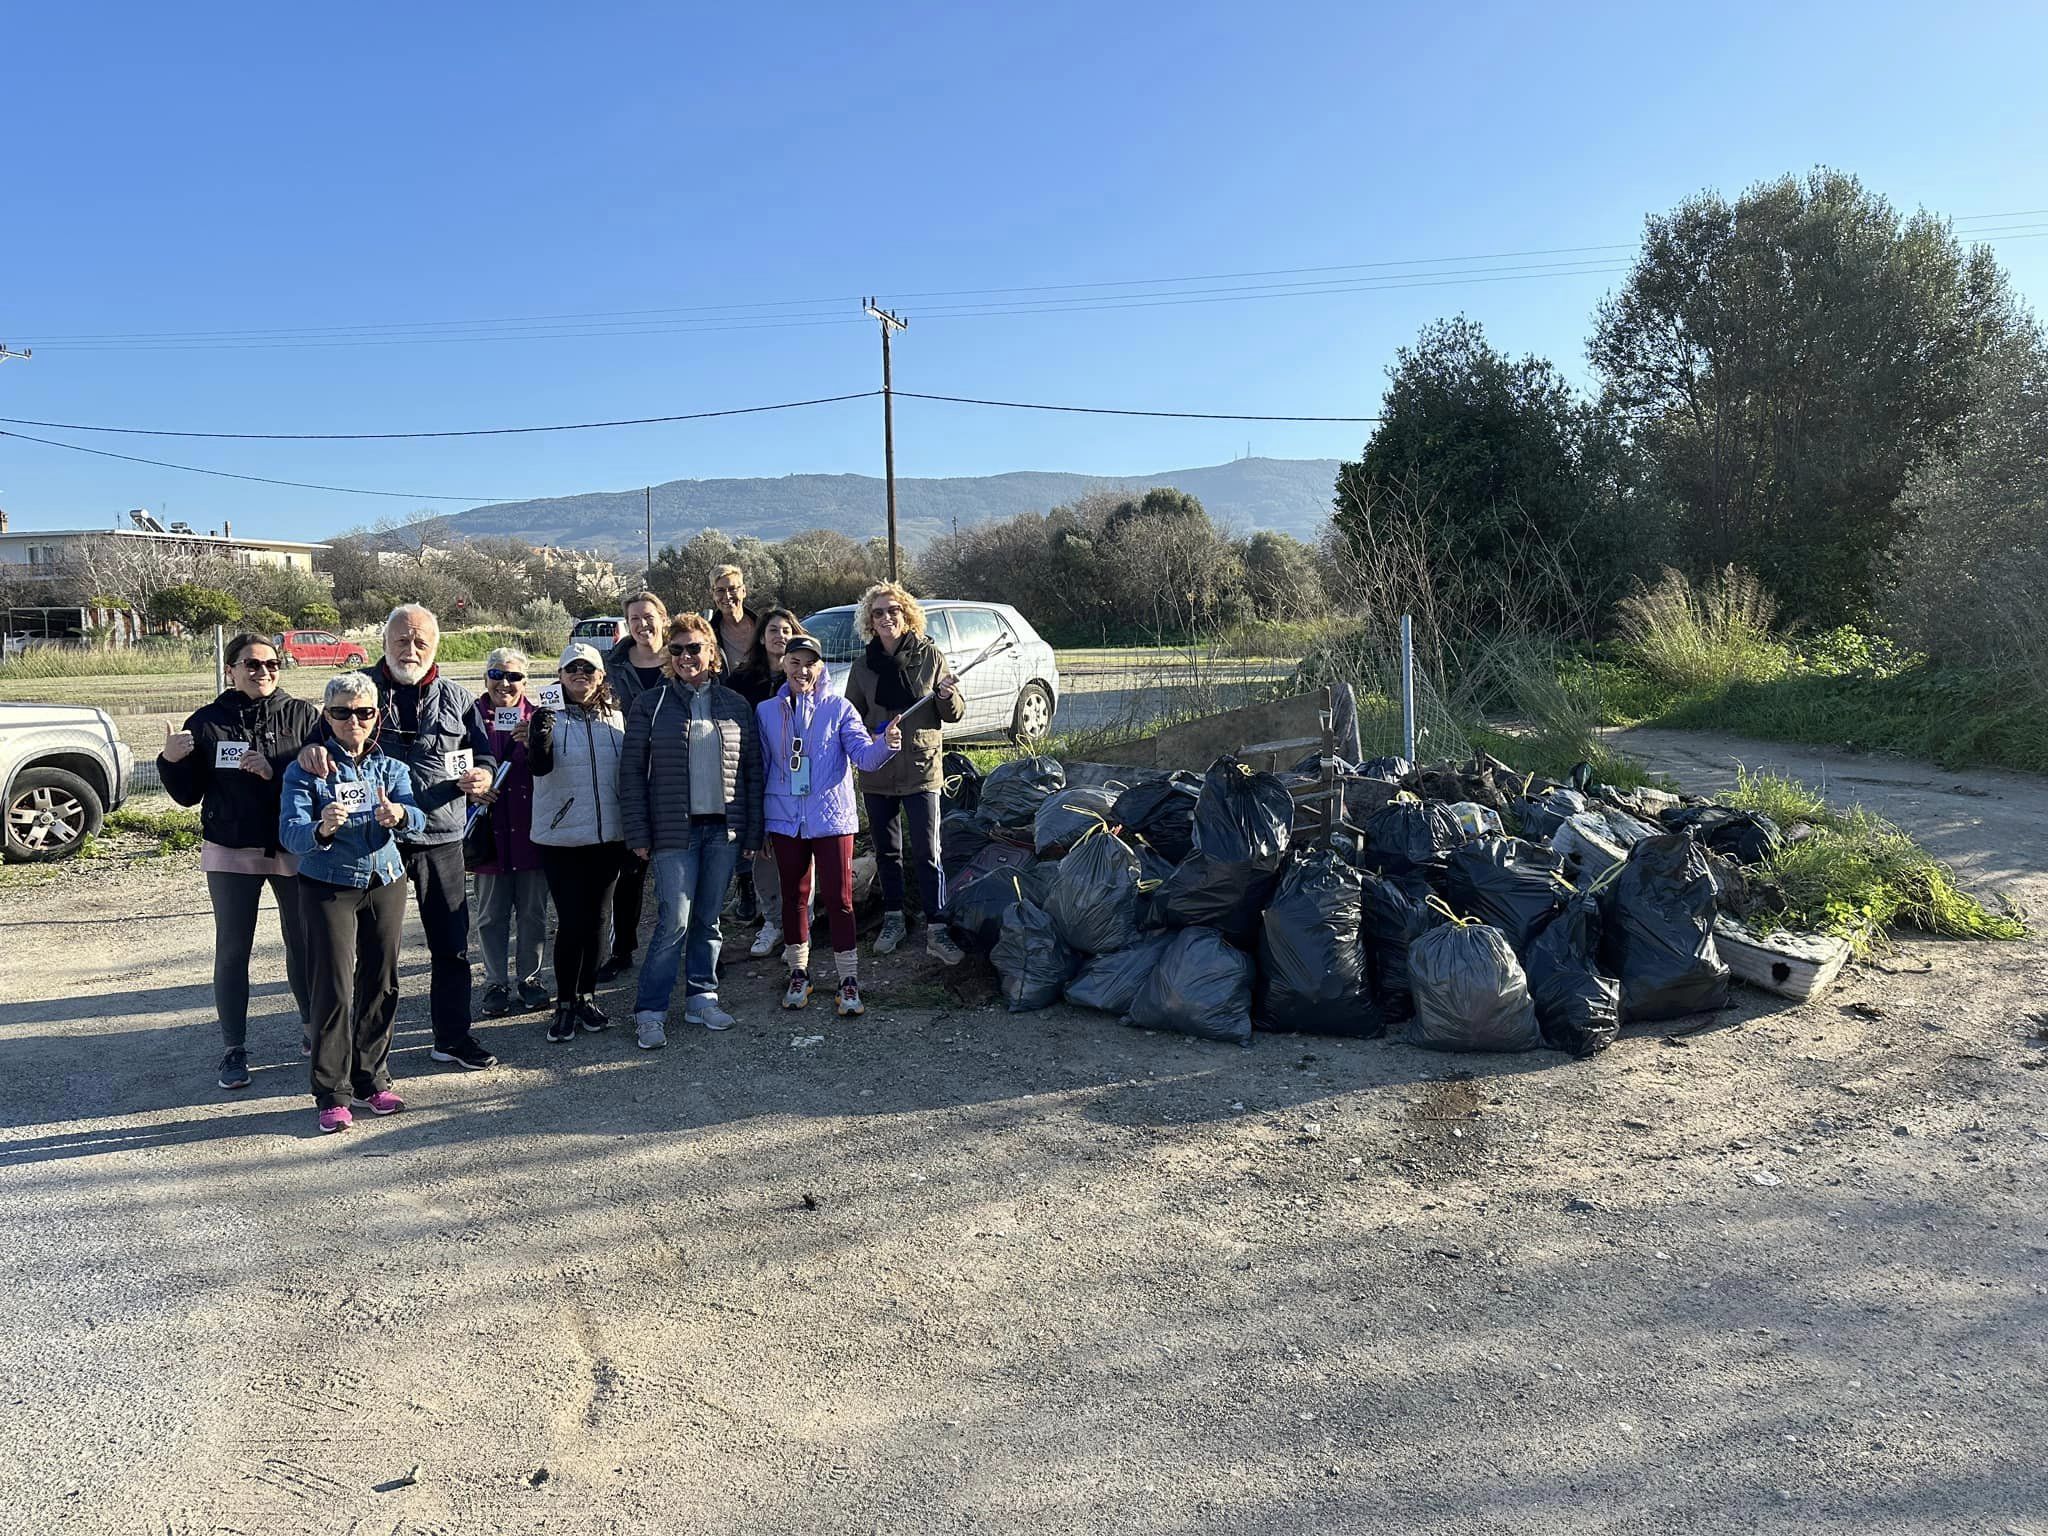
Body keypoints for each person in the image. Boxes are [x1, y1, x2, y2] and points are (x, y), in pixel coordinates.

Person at [297, 604, 499, 1071]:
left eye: (420, 642)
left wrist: (484, 778)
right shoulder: (356, 690)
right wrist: (309, 752)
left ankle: (452, 1037)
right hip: (371, 841)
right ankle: (362, 1057)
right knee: (372, 955)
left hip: (440, 835)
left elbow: (484, 756)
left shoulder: (459, 699)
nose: (411, 650)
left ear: (435, 647)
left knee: (450, 945)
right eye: (401, 641)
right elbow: (315, 741)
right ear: (384, 643)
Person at [158, 631, 322, 1090]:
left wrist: (274, 772)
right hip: (231, 849)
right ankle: (234, 1048)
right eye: (251, 664)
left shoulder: (303, 715)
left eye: (271, 664)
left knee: (304, 942)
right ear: (231, 669)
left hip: (292, 845)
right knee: (233, 950)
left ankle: (313, 1033)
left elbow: (319, 778)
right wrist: (169, 761)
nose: (263, 672)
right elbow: (188, 795)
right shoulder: (208, 721)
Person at [279, 672, 426, 1134]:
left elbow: (418, 815)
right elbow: (291, 833)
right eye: (342, 712)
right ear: (327, 716)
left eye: (363, 712)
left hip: (385, 879)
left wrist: (400, 815)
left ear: (376, 715)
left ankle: (372, 1079)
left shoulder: (391, 766)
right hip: (328, 884)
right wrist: (321, 826)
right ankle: (331, 1092)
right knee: (334, 988)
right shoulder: (307, 769)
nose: (353, 721)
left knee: (381, 982)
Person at [619, 612, 764, 1049]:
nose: (686, 656)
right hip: (671, 834)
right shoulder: (651, 704)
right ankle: (650, 1010)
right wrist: (638, 833)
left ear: (712, 653)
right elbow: (630, 774)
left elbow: (752, 773)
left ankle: (703, 996)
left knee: (708, 920)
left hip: (724, 832)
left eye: (694, 648)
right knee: (674, 922)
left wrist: (753, 833)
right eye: (677, 649)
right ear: (669, 657)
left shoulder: (736, 705)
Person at [758, 629, 901, 1017]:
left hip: (832, 819)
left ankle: (848, 979)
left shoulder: (839, 708)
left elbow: (864, 758)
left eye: (810, 664)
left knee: (839, 899)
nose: (802, 670)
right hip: (785, 821)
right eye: (795, 662)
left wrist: (885, 744)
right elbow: (763, 769)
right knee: (794, 896)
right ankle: (799, 972)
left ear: (821, 668)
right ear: (784, 665)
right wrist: (760, 825)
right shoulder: (766, 712)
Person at [842, 582, 967, 965]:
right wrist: (874, 735)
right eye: (877, 612)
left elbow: (955, 713)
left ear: (907, 613)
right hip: (879, 774)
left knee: (929, 852)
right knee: (887, 852)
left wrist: (947, 697)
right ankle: (893, 920)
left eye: (893, 610)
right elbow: (852, 719)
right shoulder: (863, 667)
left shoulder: (930, 657)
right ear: (869, 620)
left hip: (921, 769)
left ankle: (937, 927)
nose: (886, 617)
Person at [527, 641, 626, 1043]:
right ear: (561, 676)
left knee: (600, 920)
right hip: (562, 838)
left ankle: (587, 996)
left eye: (588, 670)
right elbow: (539, 766)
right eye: (572, 670)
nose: (580, 676)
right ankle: (564, 1002)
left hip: (608, 836)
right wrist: (539, 732)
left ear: (601, 676)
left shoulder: (617, 720)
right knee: (571, 922)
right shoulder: (546, 716)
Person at [734, 607, 827, 960]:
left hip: (804, 783)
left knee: (804, 858)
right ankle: (772, 920)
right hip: (762, 776)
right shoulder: (744, 681)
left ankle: (803, 924)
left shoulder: (813, 682)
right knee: (765, 851)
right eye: (773, 629)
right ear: (761, 637)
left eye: (787, 629)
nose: (780, 635)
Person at [472, 647, 549, 1016]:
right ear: (485, 677)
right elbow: (453, 764)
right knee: (491, 915)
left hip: (532, 832)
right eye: (497, 674)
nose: (505, 683)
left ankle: (530, 978)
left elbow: (555, 767)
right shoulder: (468, 717)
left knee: (533, 912)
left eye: (514, 676)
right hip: (489, 834)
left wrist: (534, 741)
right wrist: (473, 786)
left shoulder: (539, 718)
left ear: (525, 681)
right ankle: (495, 981)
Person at [597, 590, 670, 981]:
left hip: (677, 776)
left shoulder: (682, 658)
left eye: (649, 616)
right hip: (630, 776)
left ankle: (697, 947)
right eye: (635, 619)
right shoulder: (613, 666)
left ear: (663, 616)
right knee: (629, 872)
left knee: (682, 871)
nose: (643, 625)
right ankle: (622, 948)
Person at [707, 565, 765, 925]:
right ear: (712, 596)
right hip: (727, 727)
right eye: (719, 591)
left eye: (733, 588)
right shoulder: (709, 633)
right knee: (737, 802)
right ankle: (745, 883)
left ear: (744, 589)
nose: (727, 596)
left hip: (770, 719)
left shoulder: (764, 627)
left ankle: (773, 884)